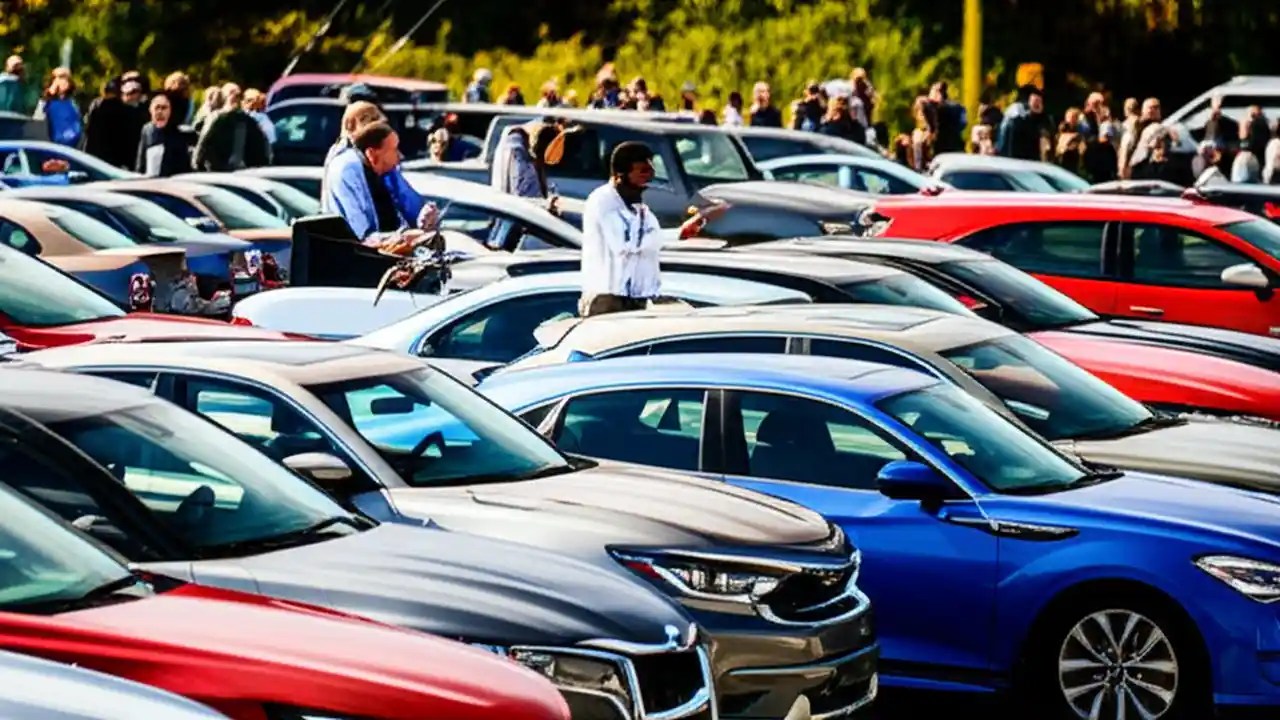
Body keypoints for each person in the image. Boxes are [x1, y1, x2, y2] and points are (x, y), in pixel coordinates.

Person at [579, 142, 726, 317]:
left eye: (651, 170)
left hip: (635, 299)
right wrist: (657, 236)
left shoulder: (640, 208)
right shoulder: (602, 201)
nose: (650, 176)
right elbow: (626, 244)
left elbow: (654, 239)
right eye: (643, 171)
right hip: (606, 301)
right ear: (620, 174)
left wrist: (686, 229)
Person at [323, 121, 439, 249]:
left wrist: (424, 217)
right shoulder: (348, 170)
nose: (400, 156)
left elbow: (404, 207)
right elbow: (362, 236)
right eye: (394, 149)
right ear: (372, 154)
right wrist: (403, 237)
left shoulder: (382, 171)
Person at [192, 82, 270, 171]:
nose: (236, 98)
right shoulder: (248, 121)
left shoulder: (217, 117)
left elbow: (203, 143)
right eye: (235, 95)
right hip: (234, 171)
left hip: (222, 171)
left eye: (238, 96)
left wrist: (197, 165)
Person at [82, 78, 136, 168]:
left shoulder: (96, 108)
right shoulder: (127, 110)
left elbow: (89, 132)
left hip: (97, 158)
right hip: (118, 159)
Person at [136, 93, 193, 177]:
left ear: (169, 111)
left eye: (164, 108)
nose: (160, 111)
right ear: (151, 110)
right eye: (157, 108)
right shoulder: (147, 130)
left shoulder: (177, 135)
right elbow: (141, 159)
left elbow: (184, 166)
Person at [998, 84, 1050, 161]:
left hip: (1018, 158)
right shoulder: (1018, 116)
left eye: (1040, 102)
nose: (1038, 104)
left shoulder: (1016, 113)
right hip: (1018, 159)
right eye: (1036, 101)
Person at [33, 68, 81, 147]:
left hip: (71, 147)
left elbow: (77, 125)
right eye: (57, 78)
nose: (61, 82)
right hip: (52, 147)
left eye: (63, 78)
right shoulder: (47, 101)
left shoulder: (72, 103)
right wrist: (48, 96)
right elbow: (37, 119)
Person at [929, 82, 966, 154]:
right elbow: (963, 123)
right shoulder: (959, 107)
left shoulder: (935, 108)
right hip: (956, 143)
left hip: (941, 145)